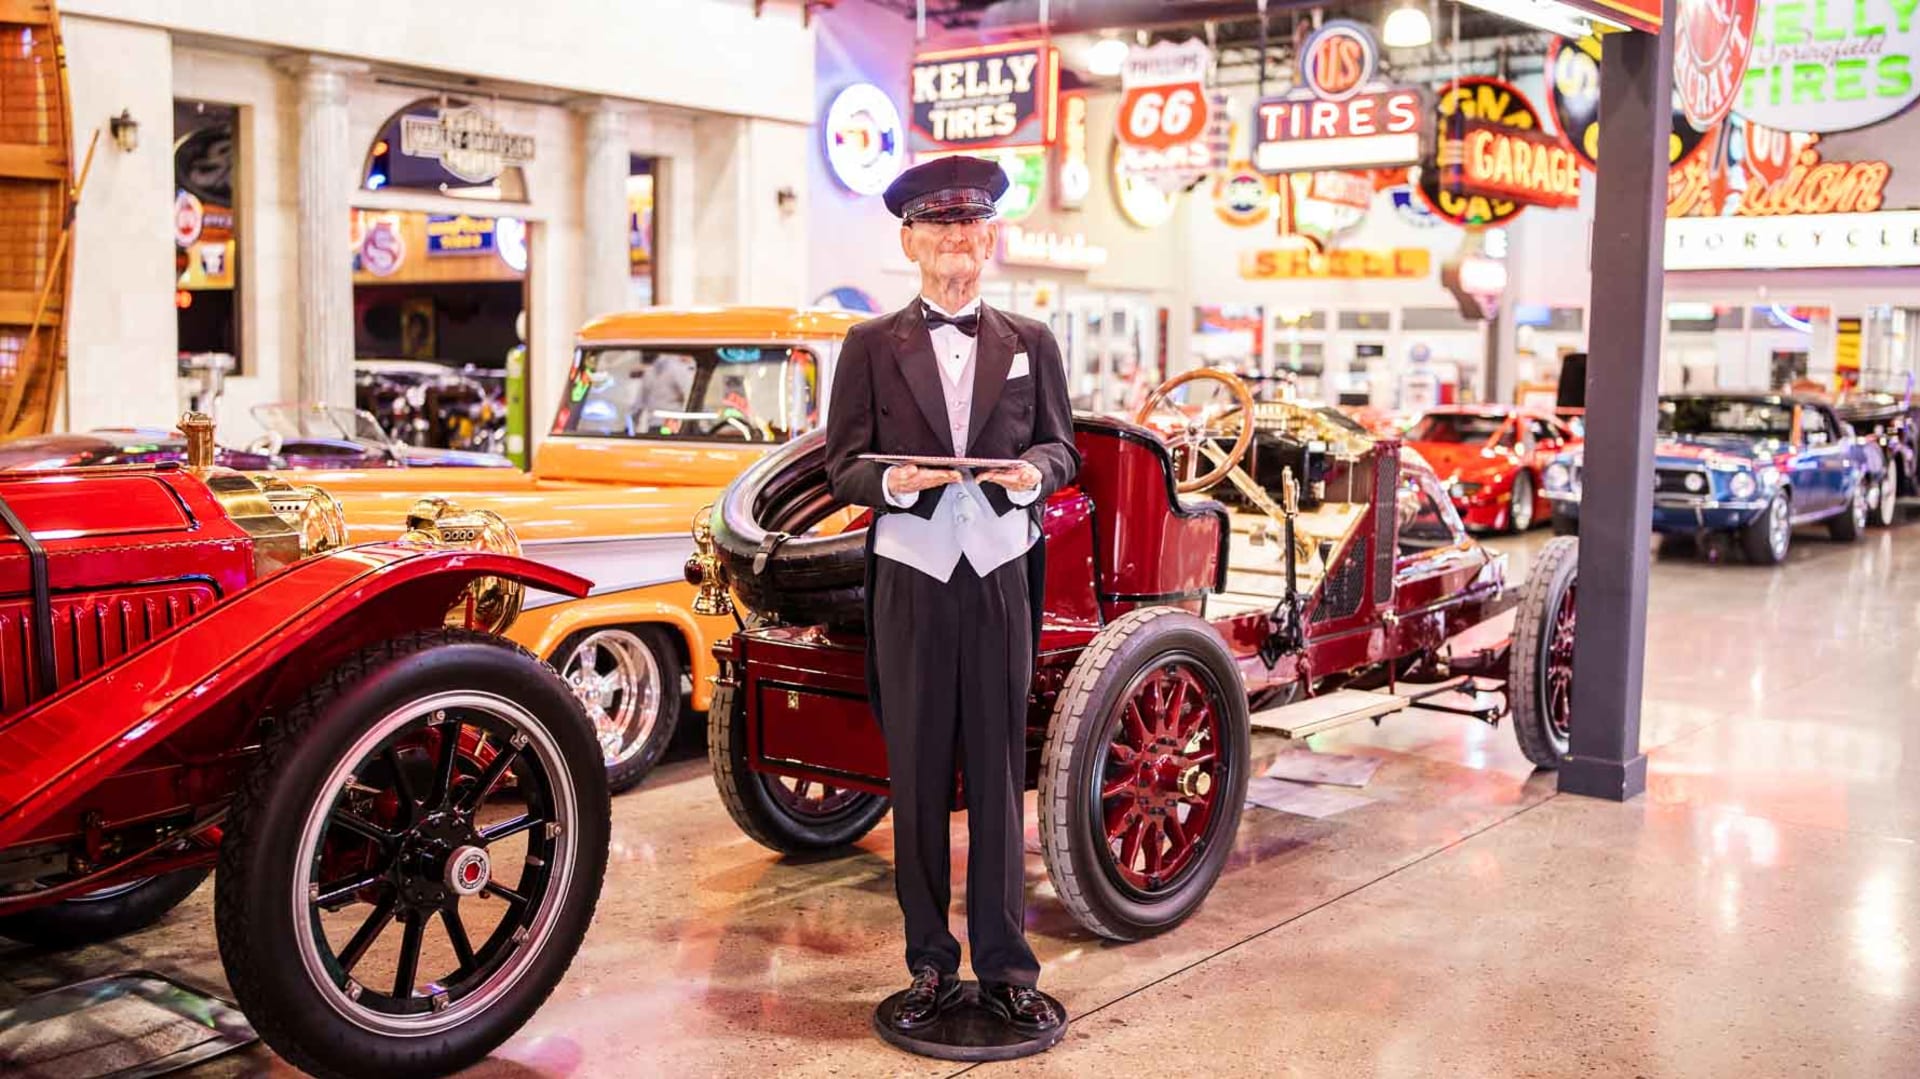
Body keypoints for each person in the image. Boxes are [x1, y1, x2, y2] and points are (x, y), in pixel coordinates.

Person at [824, 156, 1078, 1037]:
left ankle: (1007, 966)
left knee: (1003, 777)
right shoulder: (868, 345)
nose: (955, 244)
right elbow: (840, 464)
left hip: (1002, 572)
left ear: (991, 239)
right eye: (937, 230)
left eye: (969, 229)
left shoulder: (1032, 341)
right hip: (914, 578)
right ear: (910, 242)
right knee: (920, 775)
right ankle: (929, 962)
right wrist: (890, 481)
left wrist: (1031, 474)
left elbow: (1062, 448)